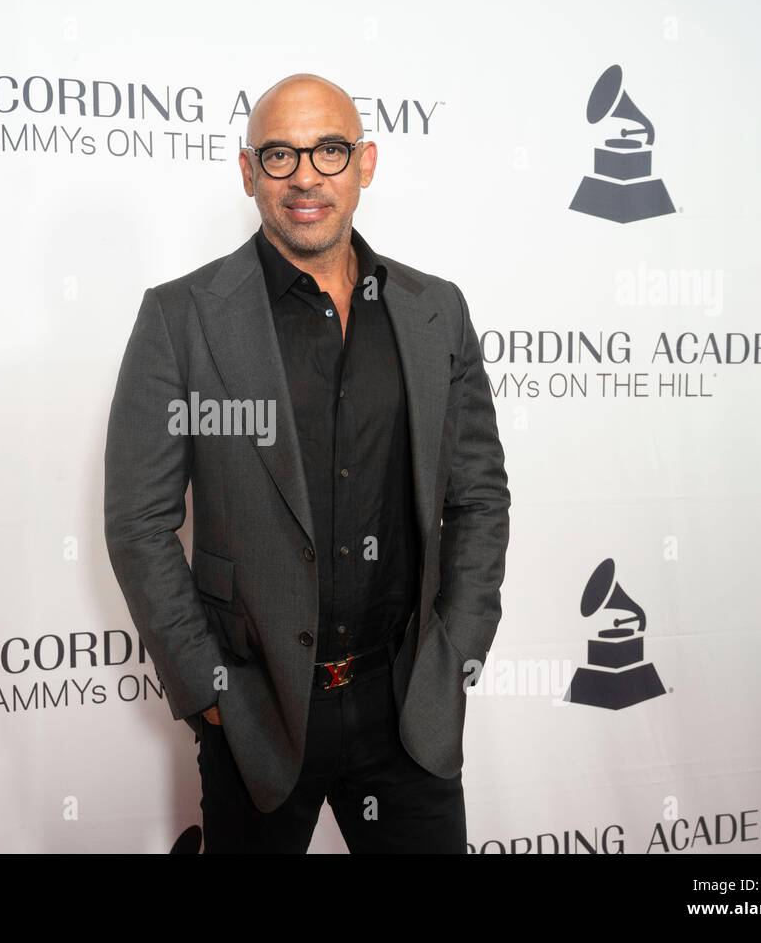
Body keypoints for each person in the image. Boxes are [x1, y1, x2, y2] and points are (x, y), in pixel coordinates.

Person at [103, 73, 510, 853]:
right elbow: (139, 522)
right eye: (280, 155)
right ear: (248, 172)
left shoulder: (435, 311)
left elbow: (480, 499)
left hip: (408, 709)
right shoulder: (181, 317)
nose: (305, 177)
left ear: (365, 162)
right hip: (258, 717)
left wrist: (457, 650)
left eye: (328, 149)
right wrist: (211, 693)